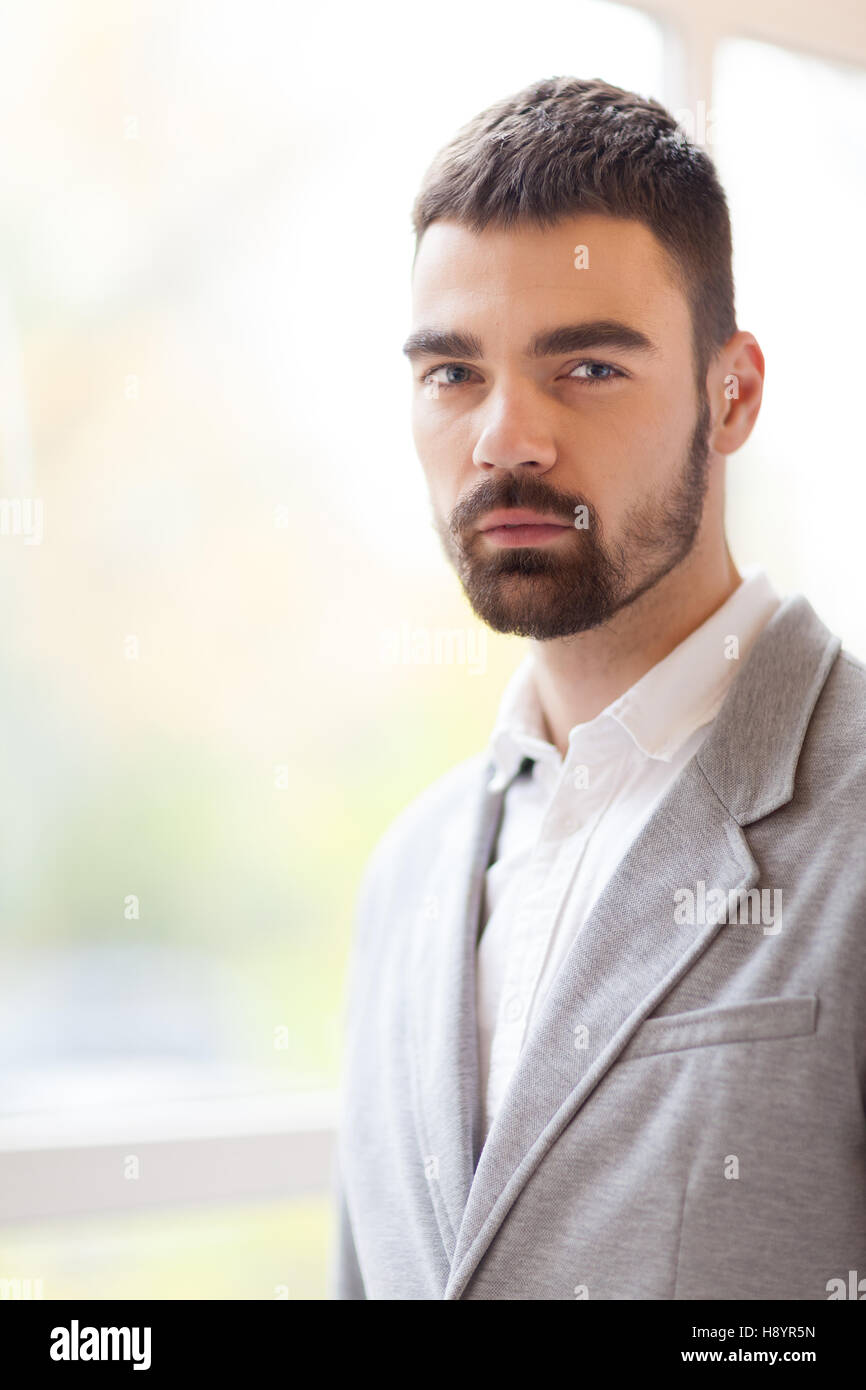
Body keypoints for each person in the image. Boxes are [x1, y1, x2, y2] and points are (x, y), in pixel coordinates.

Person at [331, 76, 866, 1300]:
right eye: (452, 373)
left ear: (729, 394)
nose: (504, 437)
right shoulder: (404, 879)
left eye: (583, 367)